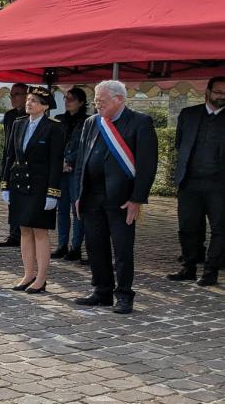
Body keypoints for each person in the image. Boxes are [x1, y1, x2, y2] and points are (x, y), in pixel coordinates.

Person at [73, 80, 158, 314]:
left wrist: (137, 199)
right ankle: (101, 291)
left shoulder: (140, 122)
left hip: (122, 198)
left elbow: (147, 165)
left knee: (122, 249)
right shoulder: (92, 122)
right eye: (95, 101)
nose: (96, 105)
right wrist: (78, 194)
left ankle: (124, 294)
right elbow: (82, 160)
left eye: (100, 101)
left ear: (118, 99)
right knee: (95, 247)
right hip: (92, 197)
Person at [0, 87, 65, 293]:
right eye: (28, 100)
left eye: (35, 101)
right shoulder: (18, 123)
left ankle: (41, 278)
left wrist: (53, 192)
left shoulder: (54, 128)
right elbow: (9, 156)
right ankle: (28, 273)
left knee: (40, 232)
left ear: (46, 106)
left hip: (40, 187)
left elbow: (56, 162)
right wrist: (5, 184)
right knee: (24, 230)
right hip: (20, 184)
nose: (29, 103)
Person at [169, 76, 225, 287]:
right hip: (189, 182)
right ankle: (189, 267)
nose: (222, 96)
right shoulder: (188, 114)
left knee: (220, 229)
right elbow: (179, 144)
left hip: (220, 185)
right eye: (218, 91)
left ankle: (210, 271)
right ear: (207, 92)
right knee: (188, 227)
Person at [55, 87, 89, 261]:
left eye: (72, 99)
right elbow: (54, 143)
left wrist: (69, 160)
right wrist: (59, 162)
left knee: (76, 209)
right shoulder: (59, 120)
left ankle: (75, 247)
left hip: (76, 171)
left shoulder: (87, 122)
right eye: (66, 98)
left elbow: (85, 146)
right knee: (61, 209)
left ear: (81, 102)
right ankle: (62, 245)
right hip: (61, 170)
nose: (67, 101)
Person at [0, 82, 29, 247]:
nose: (13, 98)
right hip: (10, 160)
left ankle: (23, 233)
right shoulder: (9, 115)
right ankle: (13, 234)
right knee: (11, 199)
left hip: (25, 163)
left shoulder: (31, 114)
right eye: (11, 95)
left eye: (17, 94)